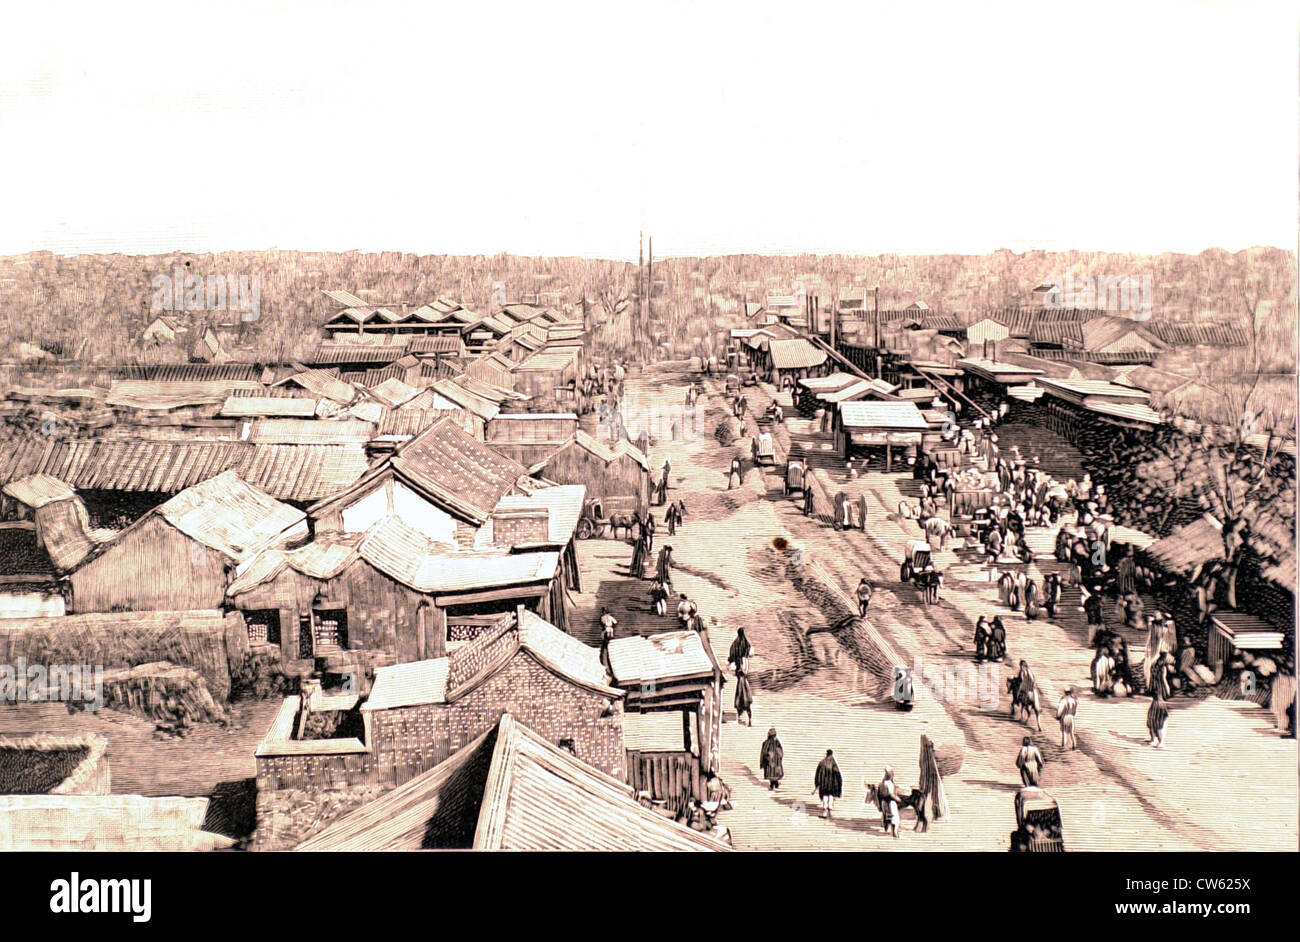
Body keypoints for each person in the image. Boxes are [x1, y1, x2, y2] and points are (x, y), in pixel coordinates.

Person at [729, 629, 754, 726]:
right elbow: (749, 651)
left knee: (740, 696)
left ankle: (740, 718)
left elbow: (731, 654)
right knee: (746, 699)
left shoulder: (736, 643)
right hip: (744, 678)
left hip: (740, 678)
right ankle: (748, 720)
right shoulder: (745, 643)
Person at [813, 749, 843, 819]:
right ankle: (830, 812)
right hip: (832, 784)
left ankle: (824, 812)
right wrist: (839, 783)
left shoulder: (822, 763)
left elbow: (817, 774)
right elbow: (838, 774)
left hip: (823, 784)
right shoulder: (834, 763)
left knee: (824, 796)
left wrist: (817, 784)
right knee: (831, 796)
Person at [876, 766, 901, 838]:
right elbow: (891, 794)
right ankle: (895, 833)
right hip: (890, 802)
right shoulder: (888, 783)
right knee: (895, 818)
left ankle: (889, 830)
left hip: (885, 802)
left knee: (888, 816)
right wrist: (898, 799)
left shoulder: (883, 782)